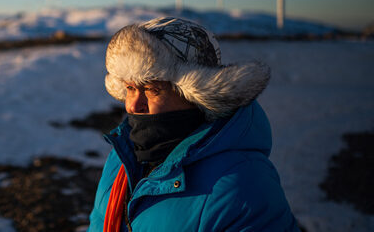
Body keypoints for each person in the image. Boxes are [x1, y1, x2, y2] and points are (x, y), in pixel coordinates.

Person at [87, 17, 299, 232]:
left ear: (195, 94)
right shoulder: (122, 157)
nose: (133, 105)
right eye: (130, 88)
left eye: (152, 89)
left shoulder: (244, 186)